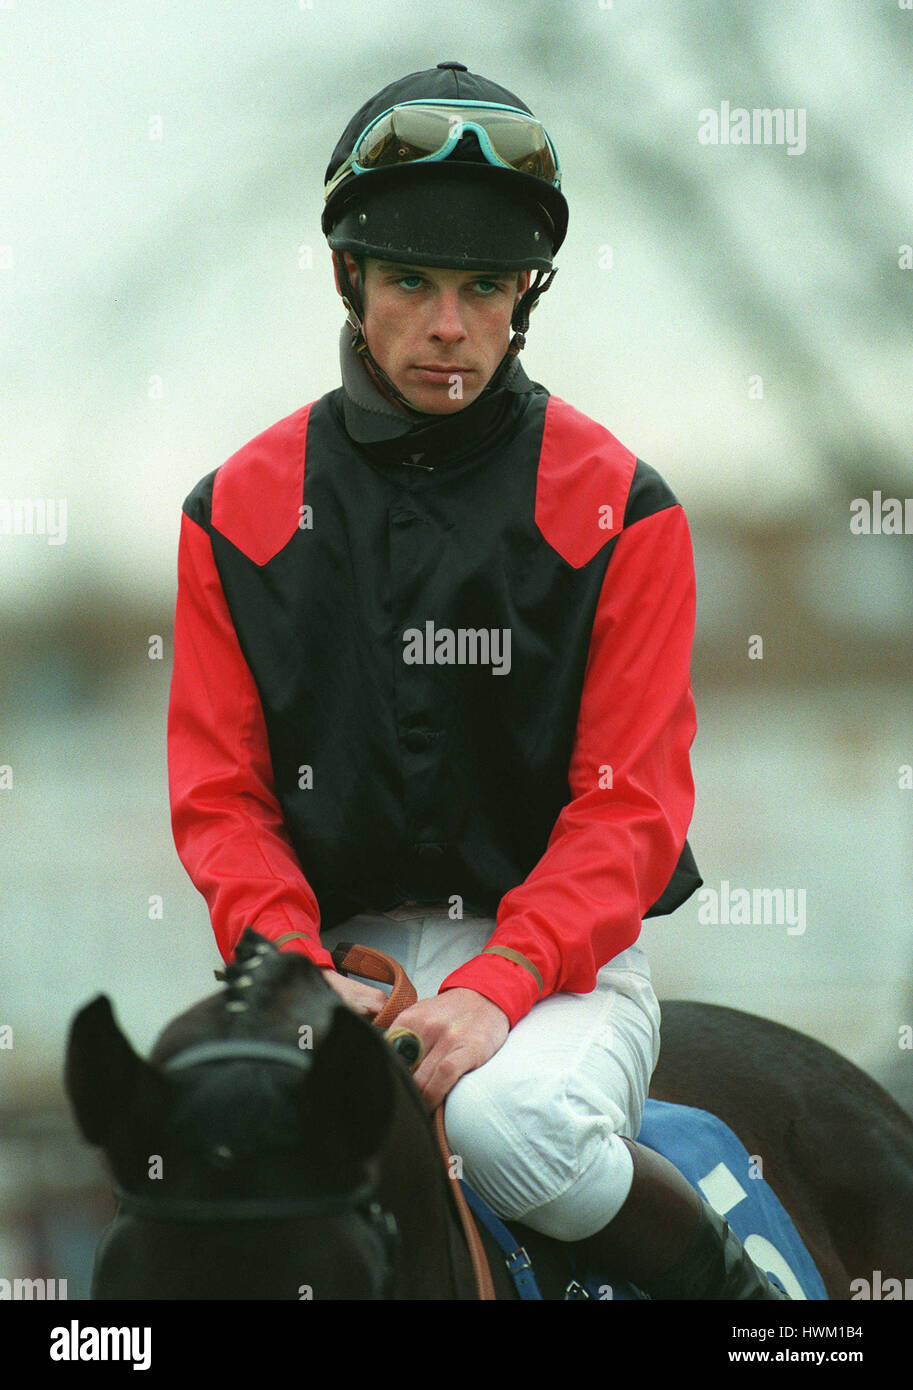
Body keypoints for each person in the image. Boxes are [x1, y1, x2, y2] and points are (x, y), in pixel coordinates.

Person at [167, 60, 786, 1300]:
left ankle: (754, 1307)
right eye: (410, 282)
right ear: (350, 278)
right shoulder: (233, 511)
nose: (448, 327)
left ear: (524, 298)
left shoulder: (621, 506)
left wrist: (501, 983)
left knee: (508, 1128)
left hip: (562, 960)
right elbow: (223, 801)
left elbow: (630, 811)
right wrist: (297, 964)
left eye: (484, 289)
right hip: (318, 956)